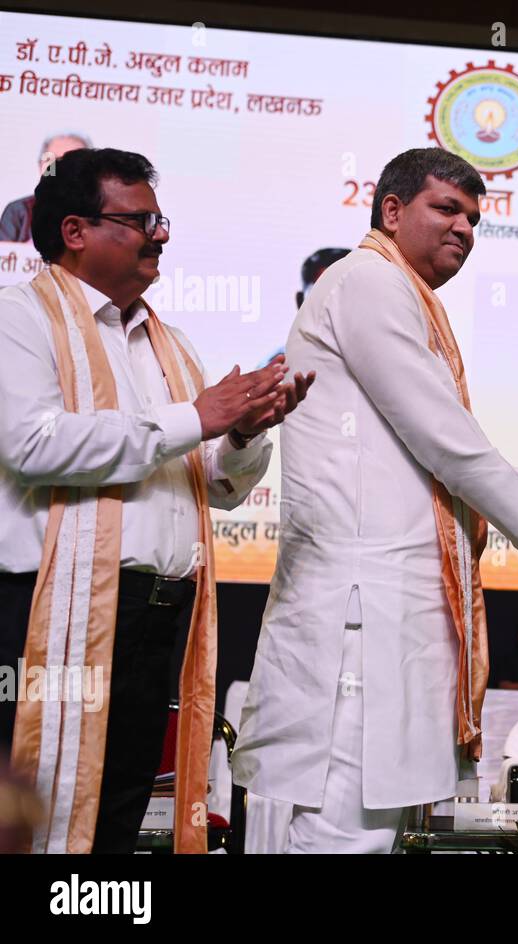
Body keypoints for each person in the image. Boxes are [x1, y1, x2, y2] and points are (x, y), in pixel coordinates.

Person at [231, 147, 518, 854]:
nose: (464, 228)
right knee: (344, 836)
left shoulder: (399, 291)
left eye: (474, 218)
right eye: (446, 209)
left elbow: (419, 440)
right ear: (392, 211)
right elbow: (438, 433)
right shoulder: (369, 283)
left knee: (370, 832)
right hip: (358, 615)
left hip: (382, 614)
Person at [0, 147, 308, 853]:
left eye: (159, 220)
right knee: (37, 814)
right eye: (140, 221)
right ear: (75, 231)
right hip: (50, 609)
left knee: (117, 812)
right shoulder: (19, 317)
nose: (160, 235)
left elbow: (219, 489)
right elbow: (35, 445)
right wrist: (199, 417)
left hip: (154, 612)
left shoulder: (170, 344)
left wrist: (242, 433)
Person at [0, 133, 92, 243]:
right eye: (51, 160)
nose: (60, 168)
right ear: (41, 166)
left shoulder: (101, 213)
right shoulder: (19, 211)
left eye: (72, 160)